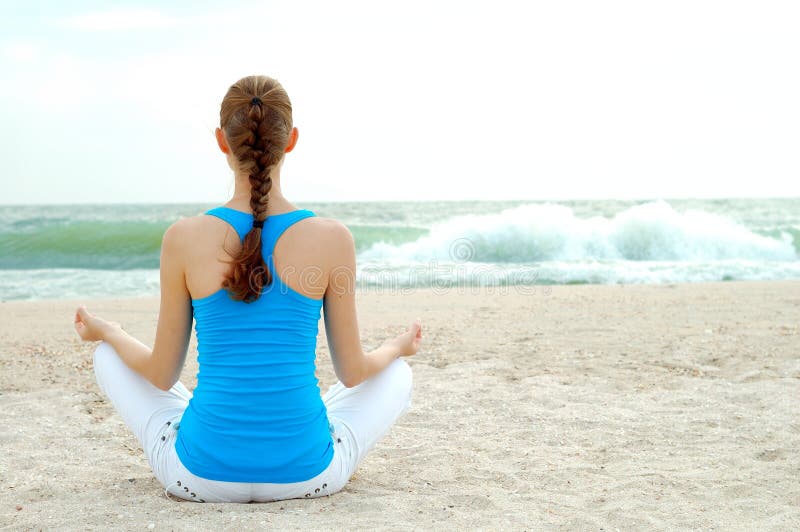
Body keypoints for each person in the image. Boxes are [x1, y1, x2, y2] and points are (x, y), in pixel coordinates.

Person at [73, 75, 423, 503]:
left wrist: (109, 331)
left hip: (199, 478)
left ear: (222, 140)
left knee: (111, 355)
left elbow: (162, 375)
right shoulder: (334, 238)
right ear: (290, 140)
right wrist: (396, 347)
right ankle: (300, 425)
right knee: (395, 375)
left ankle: (212, 420)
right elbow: (352, 373)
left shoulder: (183, 237)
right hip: (309, 475)